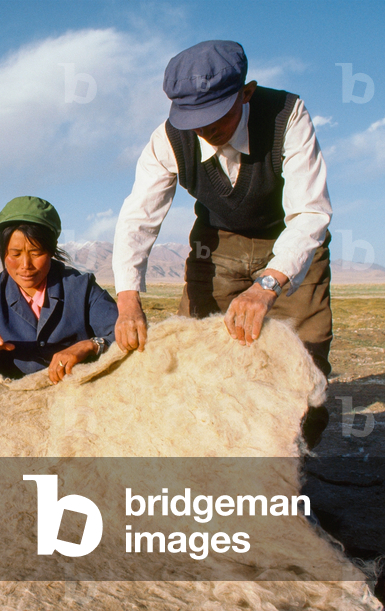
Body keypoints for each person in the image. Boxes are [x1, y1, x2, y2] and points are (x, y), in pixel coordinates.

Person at [111, 40, 333, 446]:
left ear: (245, 94)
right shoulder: (167, 140)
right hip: (216, 246)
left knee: (300, 369)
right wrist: (127, 299)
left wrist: (268, 285)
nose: (205, 131)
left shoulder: (288, 115)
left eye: (216, 117)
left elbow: (309, 214)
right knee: (191, 361)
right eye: (194, 120)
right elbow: (137, 221)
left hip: (289, 239)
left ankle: (284, 489)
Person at [0, 196, 118, 382]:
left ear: (52, 251)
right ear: (3, 252)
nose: (25, 265)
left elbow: (121, 335)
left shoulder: (82, 287)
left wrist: (90, 345)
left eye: (36, 253)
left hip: (77, 400)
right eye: (15, 254)